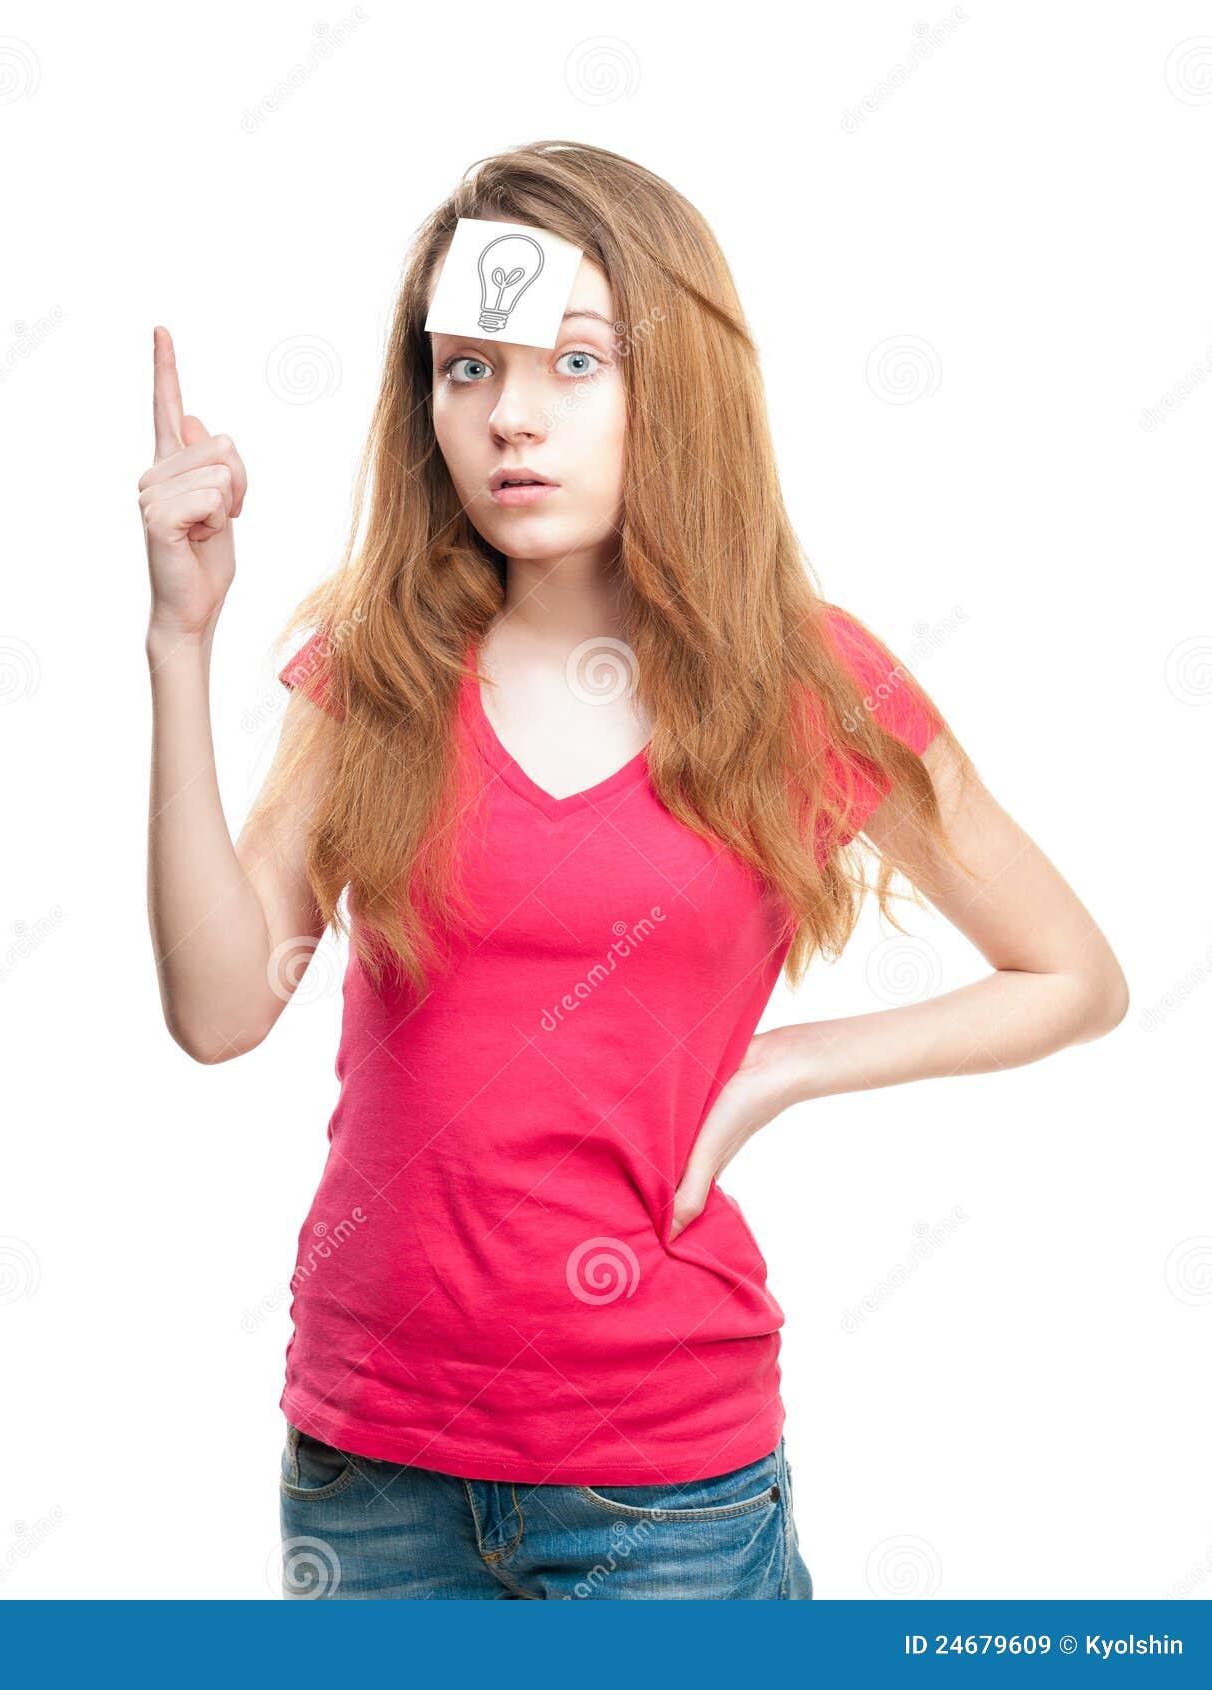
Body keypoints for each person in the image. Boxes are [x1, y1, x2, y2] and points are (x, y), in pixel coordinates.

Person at [139, 141, 1129, 1600]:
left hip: (657, 1495)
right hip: (367, 1468)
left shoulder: (805, 683)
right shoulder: (378, 662)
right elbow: (221, 1011)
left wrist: (779, 1064)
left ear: (673, 382)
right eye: (466, 368)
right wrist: (181, 640)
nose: (509, 419)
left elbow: (1074, 974)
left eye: (572, 362)